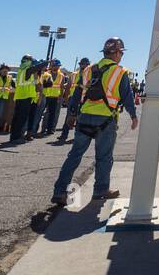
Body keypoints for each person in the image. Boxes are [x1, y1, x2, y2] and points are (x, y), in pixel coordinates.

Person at [51, 38, 138, 205]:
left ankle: (59, 192)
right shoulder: (120, 72)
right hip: (105, 119)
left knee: (74, 155)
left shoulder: (88, 70)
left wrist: (72, 113)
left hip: (84, 117)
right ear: (118, 53)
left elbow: (77, 94)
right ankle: (101, 190)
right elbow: (127, 96)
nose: (121, 56)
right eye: (121, 53)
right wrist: (133, 116)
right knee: (104, 157)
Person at [8, 55, 44, 143]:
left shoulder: (21, 70)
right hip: (25, 97)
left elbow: (33, 83)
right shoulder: (27, 70)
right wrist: (47, 62)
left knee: (17, 118)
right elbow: (37, 67)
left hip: (20, 96)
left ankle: (14, 136)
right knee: (21, 119)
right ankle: (16, 138)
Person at [56, 57, 91, 144]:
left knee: (78, 119)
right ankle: (65, 135)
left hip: (83, 99)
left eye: (85, 64)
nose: (84, 66)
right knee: (70, 117)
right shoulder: (75, 74)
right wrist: (66, 98)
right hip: (75, 98)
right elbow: (68, 87)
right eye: (83, 64)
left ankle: (73, 136)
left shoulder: (88, 75)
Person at [39, 60, 64, 136]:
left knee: (52, 114)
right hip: (45, 96)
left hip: (55, 97)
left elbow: (61, 87)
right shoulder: (46, 74)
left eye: (58, 66)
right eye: (55, 66)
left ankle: (50, 130)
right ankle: (42, 129)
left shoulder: (61, 75)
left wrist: (60, 97)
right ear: (52, 66)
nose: (56, 67)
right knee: (41, 113)